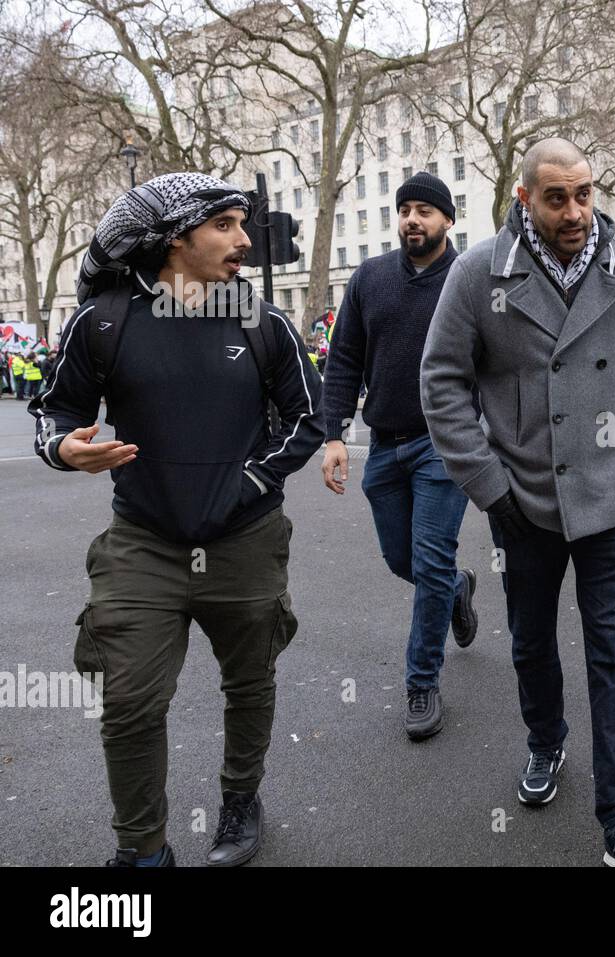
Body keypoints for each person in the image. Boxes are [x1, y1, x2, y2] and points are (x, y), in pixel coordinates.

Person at [31, 172, 324, 867]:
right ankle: (142, 851)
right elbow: (55, 409)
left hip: (246, 540)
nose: (244, 240)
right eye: (225, 224)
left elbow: (309, 415)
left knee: (249, 682)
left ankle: (238, 801)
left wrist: (253, 478)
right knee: (128, 699)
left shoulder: (261, 320)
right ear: (175, 238)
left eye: (242, 224)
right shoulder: (103, 320)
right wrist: (65, 447)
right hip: (143, 541)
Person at [423, 137, 615, 866]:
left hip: (613, 499)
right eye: (556, 197)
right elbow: (441, 381)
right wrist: (487, 483)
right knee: (532, 641)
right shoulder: (479, 274)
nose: (574, 211)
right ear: (523, 199)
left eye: (585, 193)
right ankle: (547, 741)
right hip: (525, 501)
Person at [321, 172, 478, 741]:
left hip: (445, 446)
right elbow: (343, 359)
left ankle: (421, 682)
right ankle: (457, 588)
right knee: (403, 562)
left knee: (429, 560)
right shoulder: (370, 278)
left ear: (447, 220)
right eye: (406, 209)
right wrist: (334, 434)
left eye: (426, 211)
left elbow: (494, 360)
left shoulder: (470, 278)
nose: (413, 219)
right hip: (384, 446)